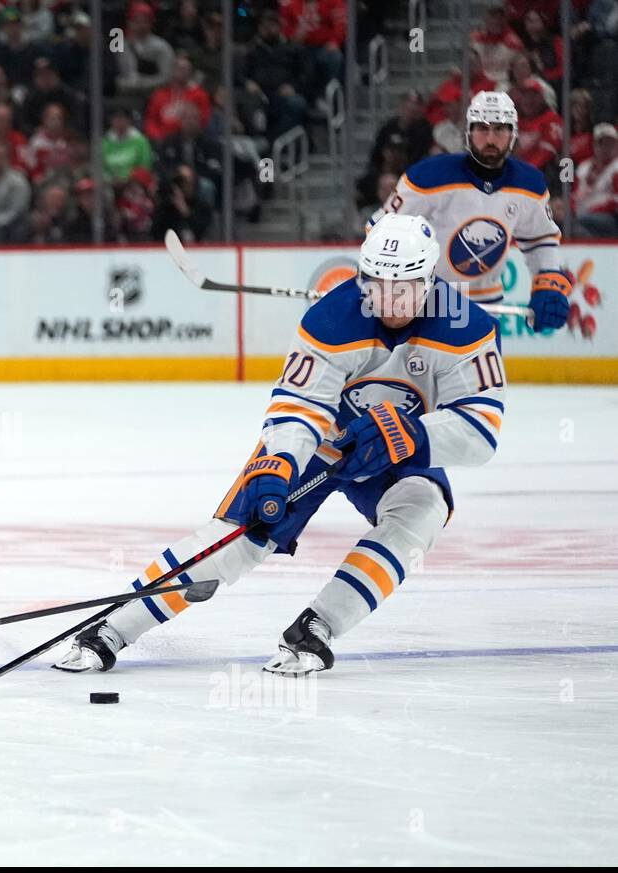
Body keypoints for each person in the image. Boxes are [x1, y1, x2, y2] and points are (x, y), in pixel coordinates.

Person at [57, 215, 505, 677]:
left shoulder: (466, 328)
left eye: (403, 287)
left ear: (428, 280)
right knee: (245, 534)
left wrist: (411, 434)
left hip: (402, 451)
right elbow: (299, 406)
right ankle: (111, 627)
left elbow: (481, 431)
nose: (388, 298)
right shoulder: (331, 319)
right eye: (377, 284)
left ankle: (319, 626)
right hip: (324, 441)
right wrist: (278, 465)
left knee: (423, 508)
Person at [368, 91, 570, 330]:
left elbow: (540, 238)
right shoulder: (428, 176)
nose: (491, 138)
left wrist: (547, 280)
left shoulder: (529, 184)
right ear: (469, 132)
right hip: (426, 306)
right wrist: (395, 283)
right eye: (482, 129)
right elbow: (378, 230)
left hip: (484, 309)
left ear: (513, 134)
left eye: (500, 129)